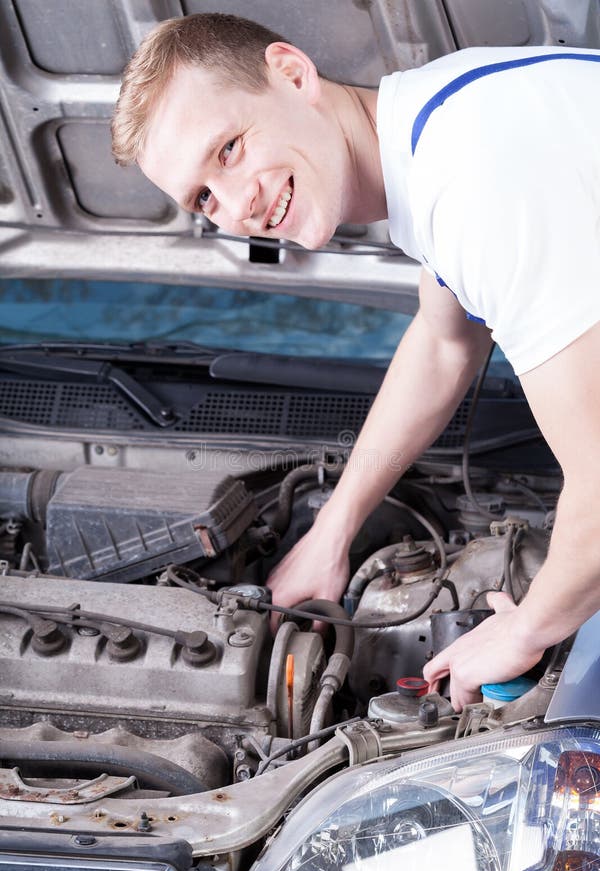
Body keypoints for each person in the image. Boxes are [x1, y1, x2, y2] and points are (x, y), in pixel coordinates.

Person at [111, 13, 600, 711]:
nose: (238, 204)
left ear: (292, 73)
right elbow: (443, 339)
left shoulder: (477, 179)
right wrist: (333, 527)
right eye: (204, 198)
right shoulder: (437, 126)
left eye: (229, 149)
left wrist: (527, 629)